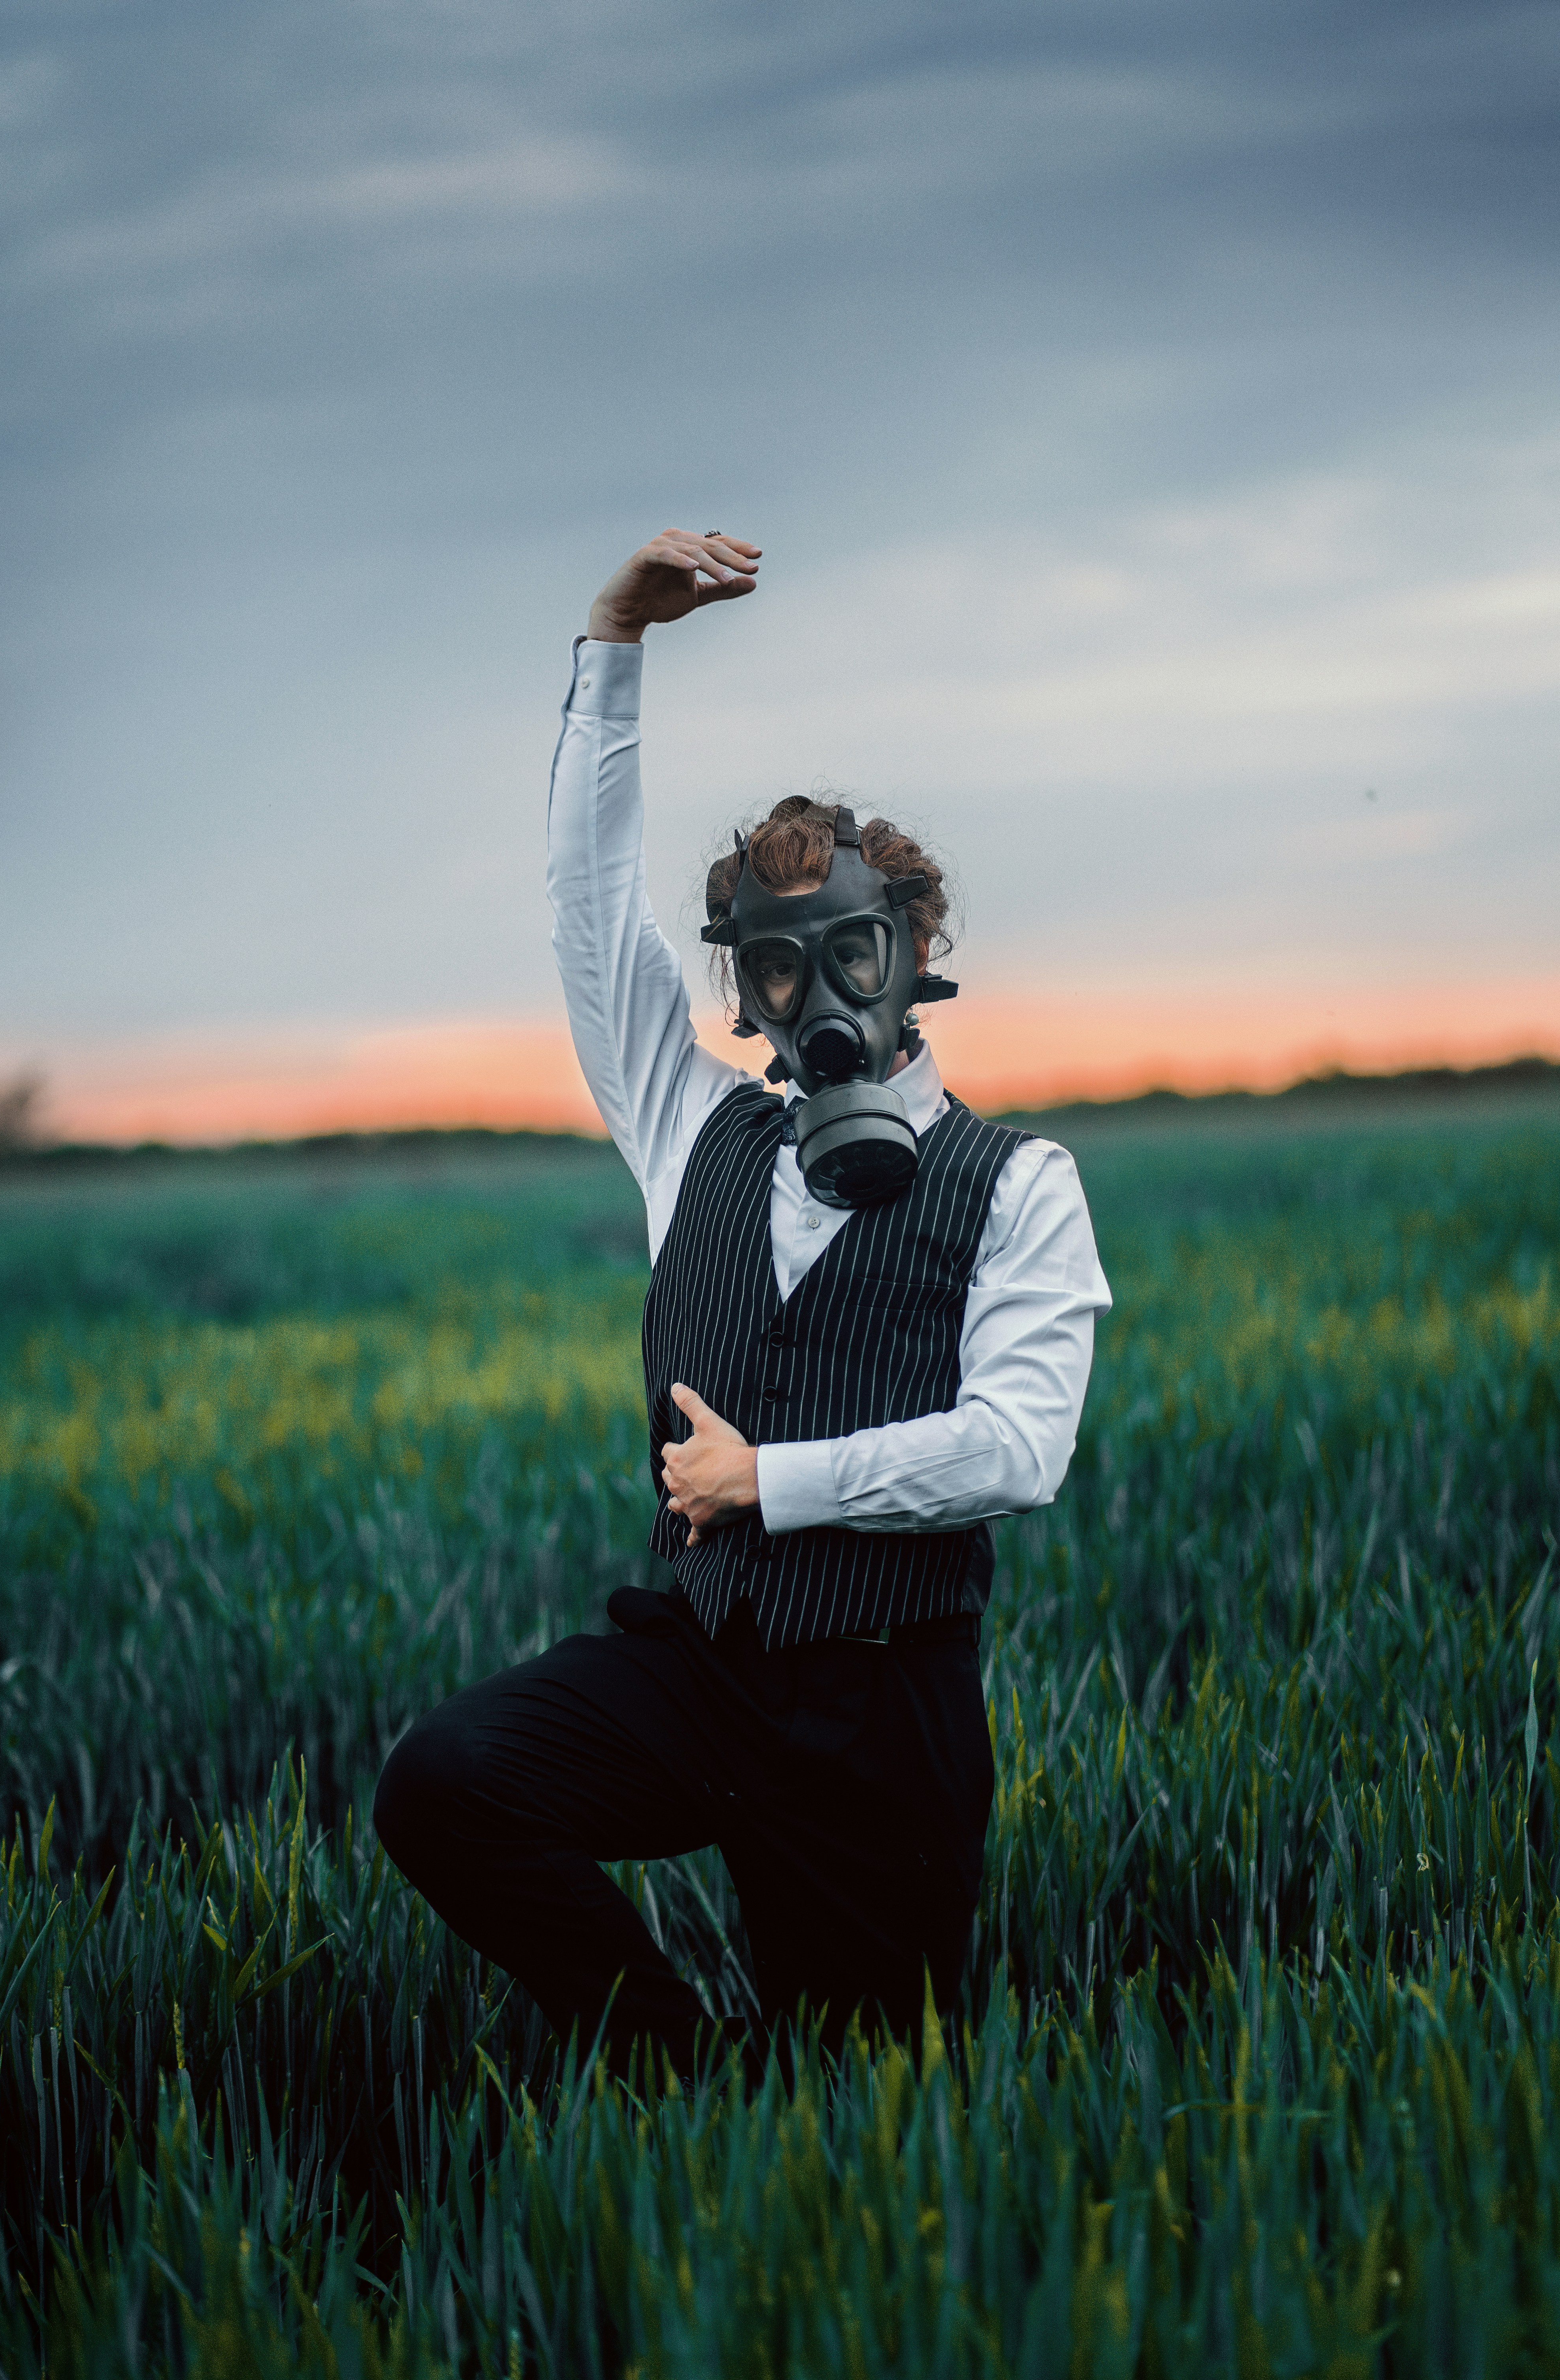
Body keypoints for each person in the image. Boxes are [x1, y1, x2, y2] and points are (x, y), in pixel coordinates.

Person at [373, 528, 1112, 2079]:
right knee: (447, 1784)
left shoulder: (1018, 1184)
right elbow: (588, 911)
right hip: (697, 1667)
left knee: (861, 2096)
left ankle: (771, 2118)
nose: (815, 997)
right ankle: (668, 2068)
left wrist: (765, 1481)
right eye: (775, 971)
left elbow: (1018, 1450)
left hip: (883, 1716)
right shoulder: (688, 1124)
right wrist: (615, 641)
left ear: (912, 958)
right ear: (743, 993)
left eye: (847, 951)